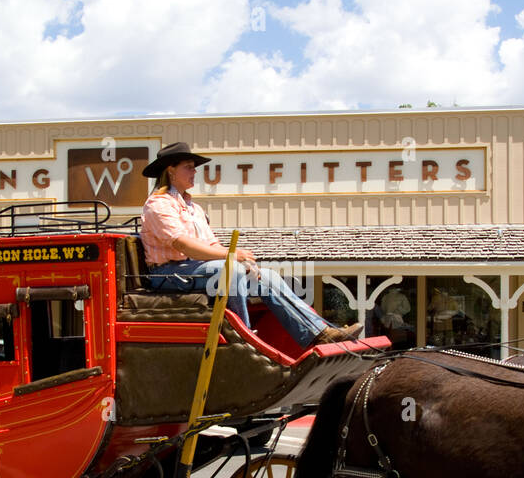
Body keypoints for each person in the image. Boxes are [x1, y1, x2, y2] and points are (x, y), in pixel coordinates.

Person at [140, 142, 361, 346]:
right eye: (188, 166)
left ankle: (319, 333)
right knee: (231, 269)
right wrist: (232, 257)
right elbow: (183, 244)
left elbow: (212, 244)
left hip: (194, 270)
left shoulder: (193, 208)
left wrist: (242, 260)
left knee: (267, 276)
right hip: (168, 274)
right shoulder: (158, 204)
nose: (195, 171)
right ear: (170, 170)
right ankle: (243, 339)